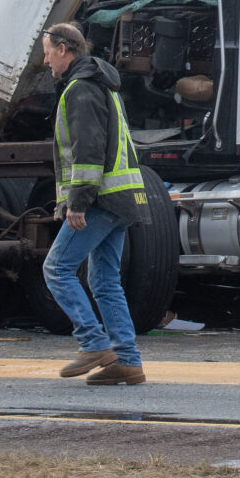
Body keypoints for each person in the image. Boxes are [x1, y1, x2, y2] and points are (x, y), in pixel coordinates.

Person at [39, 22, 150, 385]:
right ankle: (128, 362)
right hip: (123, 199)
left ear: (62, 49)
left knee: (57, 269)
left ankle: (93, 343)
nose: (45, 61)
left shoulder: (81, 89)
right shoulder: (101, 84)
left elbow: (89, 150)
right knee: (105, 281)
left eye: (46, 52)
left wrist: (78, 203)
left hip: (100, 199)